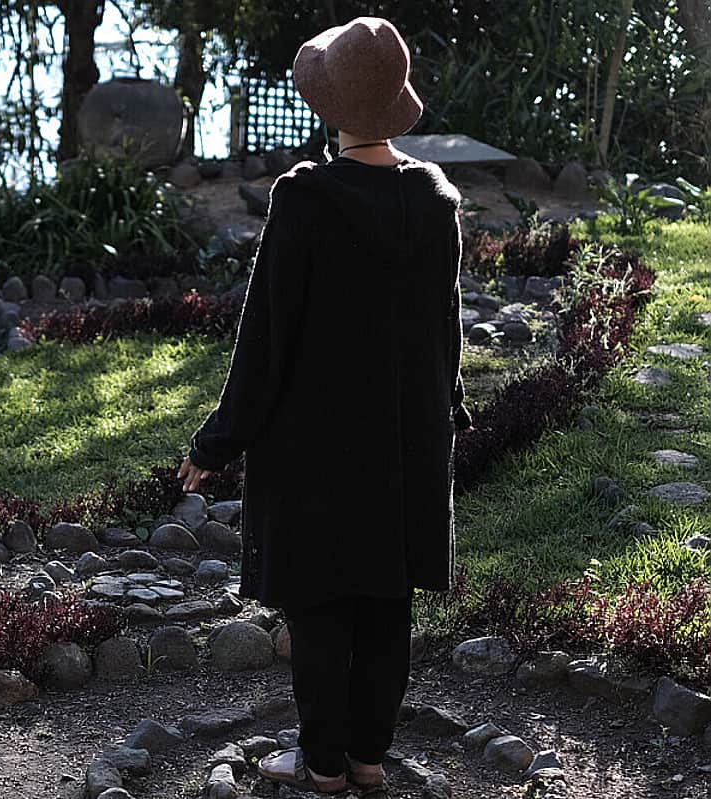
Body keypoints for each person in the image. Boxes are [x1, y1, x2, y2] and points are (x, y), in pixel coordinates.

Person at [176, 16, 474, 796]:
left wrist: (217, 442)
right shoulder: (438, 199)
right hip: (407, 443)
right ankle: (369, 755)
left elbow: (266, 336)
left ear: (333, 109)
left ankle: (322, 763)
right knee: (385, 601)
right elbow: (445, 326)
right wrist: (455, 414)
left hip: (315, 447)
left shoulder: (304, 197)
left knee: (320, 606)